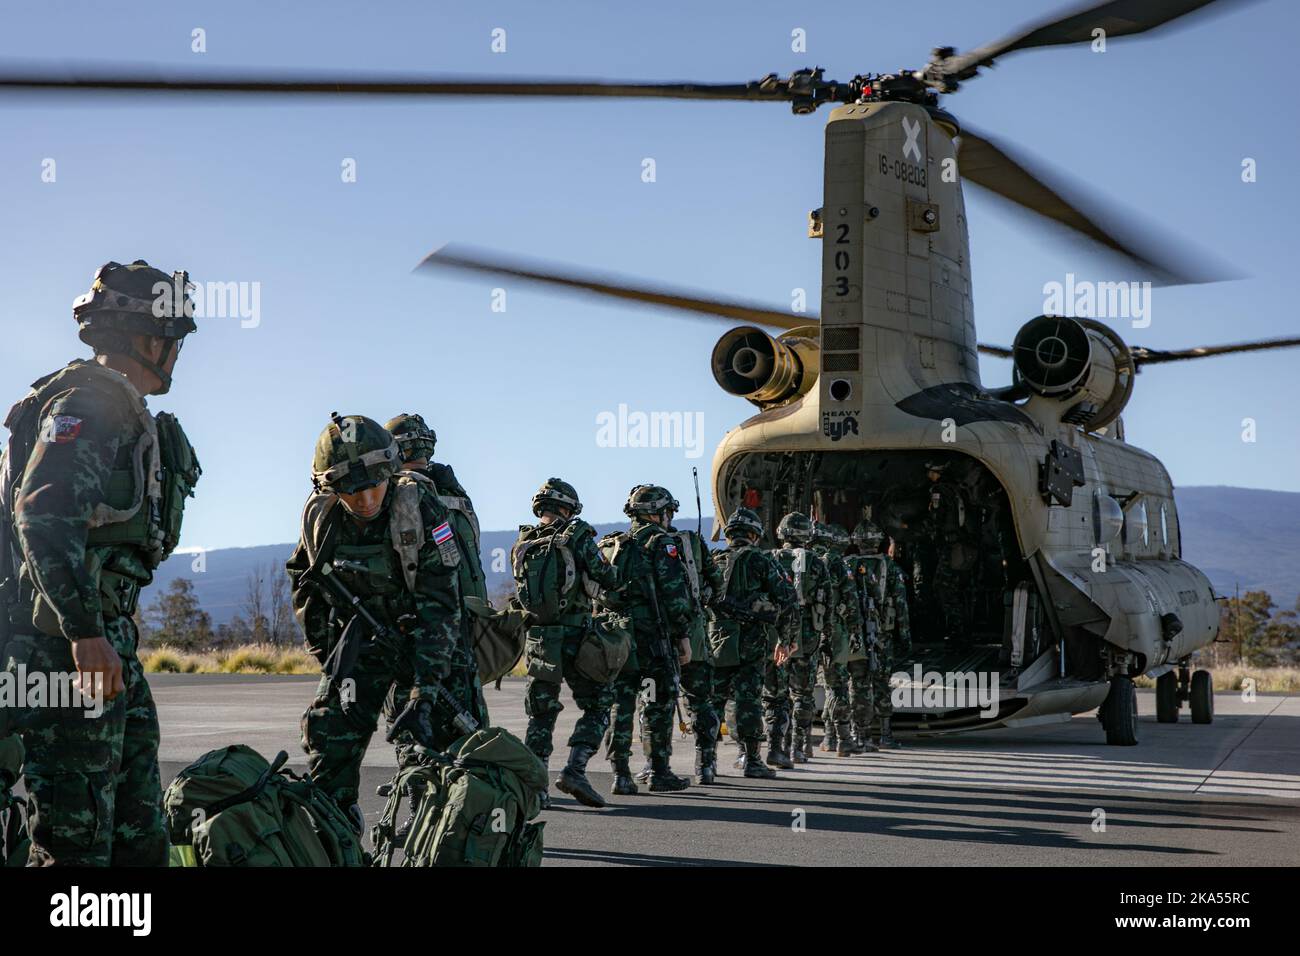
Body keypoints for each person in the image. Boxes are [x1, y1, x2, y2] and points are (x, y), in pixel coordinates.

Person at [0, 259, 200, 865]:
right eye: (172, 340)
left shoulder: (115, 405)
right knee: (77, 836)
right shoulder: (89, 402)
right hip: (64, 646)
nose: (175, 354)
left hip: (104, 640)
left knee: (137, 827)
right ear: (145, 339)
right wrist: (84, 632)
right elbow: (42, 514)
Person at [286, 414, 484, 829]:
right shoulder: (321, 517)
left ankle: (442, 833)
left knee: (455, 751)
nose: (364, 500)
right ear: (330, 487)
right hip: (362, 640)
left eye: (374, 483)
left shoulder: (416, 505)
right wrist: (331, 656)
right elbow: (304, 583)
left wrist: (424, 692)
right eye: (350, 490)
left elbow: (442, 603)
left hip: (431, 639)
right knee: (328, 734)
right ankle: (335, 828)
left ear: (391, 471)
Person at [512, 478, 621, 808]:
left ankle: (536, 787)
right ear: (567, 508)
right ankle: (575, 769)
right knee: (599, 702)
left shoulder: (524, 542)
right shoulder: (577, 535)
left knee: (541, 714)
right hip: (576, 635)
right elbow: (608, 577)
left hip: (540, 638)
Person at [599, 485, 694, 794]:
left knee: (621, 704)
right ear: (658, 513)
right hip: (652, 639)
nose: (669, 518)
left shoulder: (613, 544)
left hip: (618, 637)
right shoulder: (662, 543)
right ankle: (657, 770)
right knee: (655, 702)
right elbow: (675, 597)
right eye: (668, 512)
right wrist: (683, 635)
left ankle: (621, 774)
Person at [707, 508, 797, 779]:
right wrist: (786, 640)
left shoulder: (712, 561)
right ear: (754, 535)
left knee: (713, 702)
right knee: (749, 701)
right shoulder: (761, 560)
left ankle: (706, 762)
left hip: (716, 642)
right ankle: (752, 760)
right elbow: (787, 599)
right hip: (751, 644)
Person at [769, 512, 830, 763]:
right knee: (802, 695)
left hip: (777, 637)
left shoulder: (770, 559)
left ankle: (778, 745)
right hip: (807, 636)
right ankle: (800, 746)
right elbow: (827, 601)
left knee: (777, 694)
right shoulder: (816, 562)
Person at [852, 520, 912, 749]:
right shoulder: (890, 567)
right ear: (878, 541)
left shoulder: (847, 566)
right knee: (881, 681)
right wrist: (905, 636)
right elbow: (901, 605)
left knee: (858, 683)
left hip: (855, 636)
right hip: (882, 635)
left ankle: (861, 734)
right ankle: (885, 734)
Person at [813, 521, 861, 756]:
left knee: (799, 691)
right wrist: (855, 631)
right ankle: (841, 740)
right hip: (833, 633)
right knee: (837, 686)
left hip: (805, 633)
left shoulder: (801, 560)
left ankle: (800, 746)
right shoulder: (836, 562)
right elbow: (851, 601)